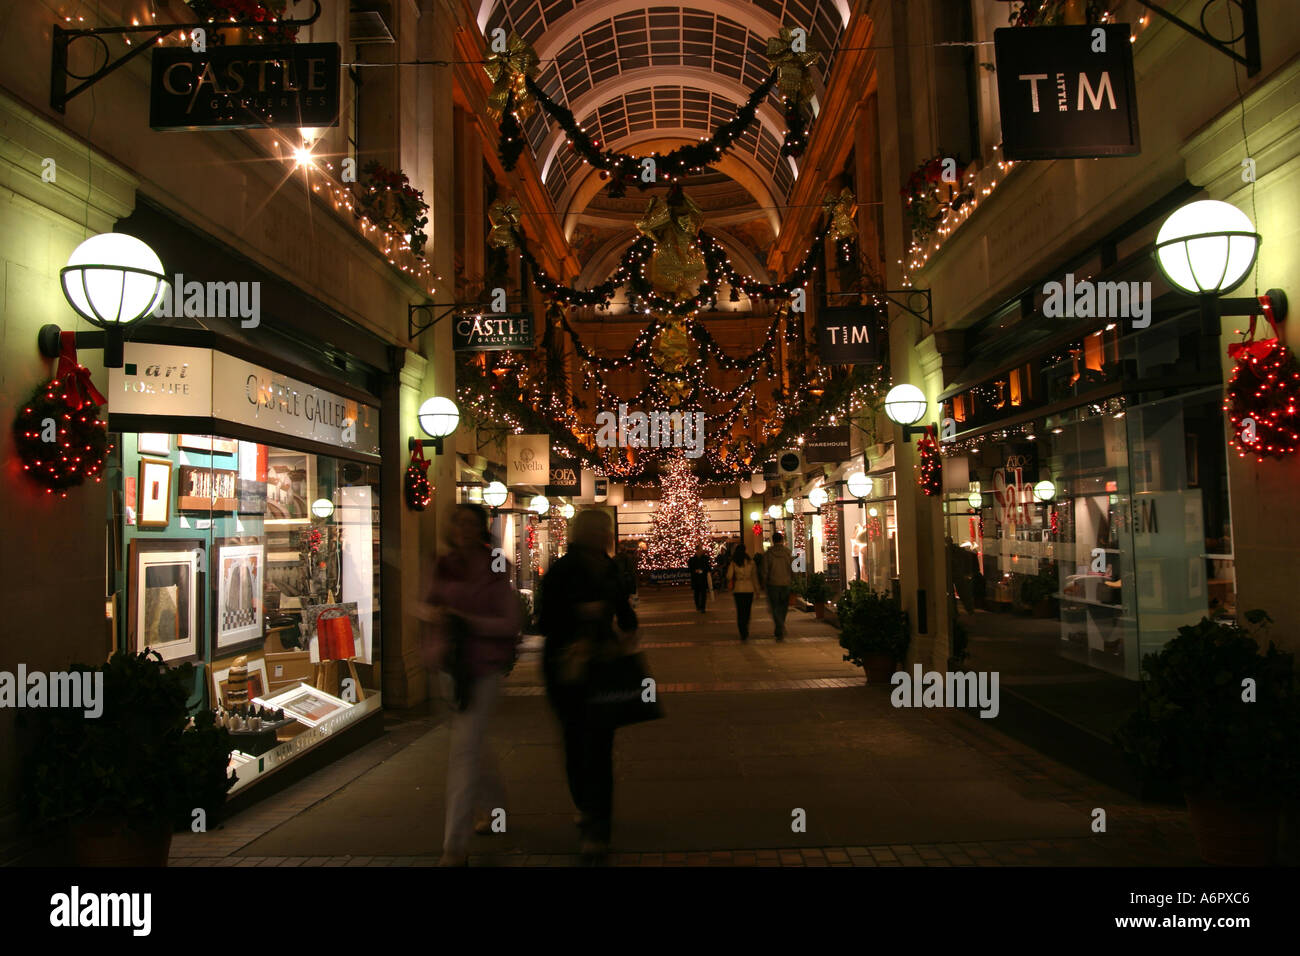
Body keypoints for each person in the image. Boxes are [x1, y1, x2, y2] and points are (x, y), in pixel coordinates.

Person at [419, 504, 522, 867]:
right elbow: (427, 606)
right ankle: (496, 810)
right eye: (457, 522)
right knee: (473, 744)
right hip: (448, 668)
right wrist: (435, 622)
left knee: (463, 753)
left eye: (469, 523)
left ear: (481, 528)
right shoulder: (444, 563)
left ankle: (454, 847)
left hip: (483, 669)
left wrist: (467, 621)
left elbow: (508, 622)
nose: (462, 528)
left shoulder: (495, 562)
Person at [539, 509, 638, 861]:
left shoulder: (609, 567)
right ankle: (585, 803)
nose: (600, 535)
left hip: (601, 667)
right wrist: (584, 612)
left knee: (597, 746)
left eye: (604, 530)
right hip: (566, 665)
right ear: (580, 533)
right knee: (575, 743)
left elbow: (625, 611)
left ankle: (598, 825)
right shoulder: (563, 570)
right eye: (594, 530)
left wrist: (626, 628)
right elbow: (545, 618)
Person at [762, 531, 794, 641]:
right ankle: (780, 625)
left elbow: (765, 570)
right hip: (786, 583)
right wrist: (793, 580)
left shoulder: (769, 554)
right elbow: (793, 568)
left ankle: (779, 626)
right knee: (783, 607)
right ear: (782, 540)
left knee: (774, 607)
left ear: (773, 540)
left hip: (773, 584)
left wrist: (764, 581)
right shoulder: (788, 553)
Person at [726, 542, 758, 641]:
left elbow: (729, 576)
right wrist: (757, 590)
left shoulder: (734, 562)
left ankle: (742, 630)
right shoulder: (751, 562)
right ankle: (746, 628)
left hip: (738, 589)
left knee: (740, 611)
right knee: (747, 611)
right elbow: (754, 577)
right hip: (749, 589)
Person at [687, 545, 712, 612]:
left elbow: (708, 567)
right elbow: (690, 568)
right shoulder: (692, 559)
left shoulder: (705, 558)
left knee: (703, 594)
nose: (702, 550)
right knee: (696, 593)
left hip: (703, 578)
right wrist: (695, 570)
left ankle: (703, 607)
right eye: (701, 549)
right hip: (696, 578)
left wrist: (703, 570)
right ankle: (698, 606)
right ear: (697, 550)